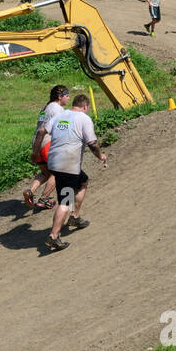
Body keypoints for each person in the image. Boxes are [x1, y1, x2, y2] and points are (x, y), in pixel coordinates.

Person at [43, 94, 106, 251]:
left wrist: (36, 151)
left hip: (54, 162)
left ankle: (75, 217)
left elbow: (41, 132)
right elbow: (92, 143)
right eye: (88, 109)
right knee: (65, 200)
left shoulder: (60, 115)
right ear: (85, 107)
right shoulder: (84, 118)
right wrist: (100, 155)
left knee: (83, 181)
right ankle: (54, 236)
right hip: (68, 164)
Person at [24, 85, 70, 209]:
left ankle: (30, 192)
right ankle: (44, 198)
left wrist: (35, 151)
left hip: (37, 143)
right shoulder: (58, 109)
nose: (69, 98)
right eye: (67, 96)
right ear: (60, 97)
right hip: (47, 143)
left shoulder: (45, 107)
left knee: (45, 173)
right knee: (58, 173)